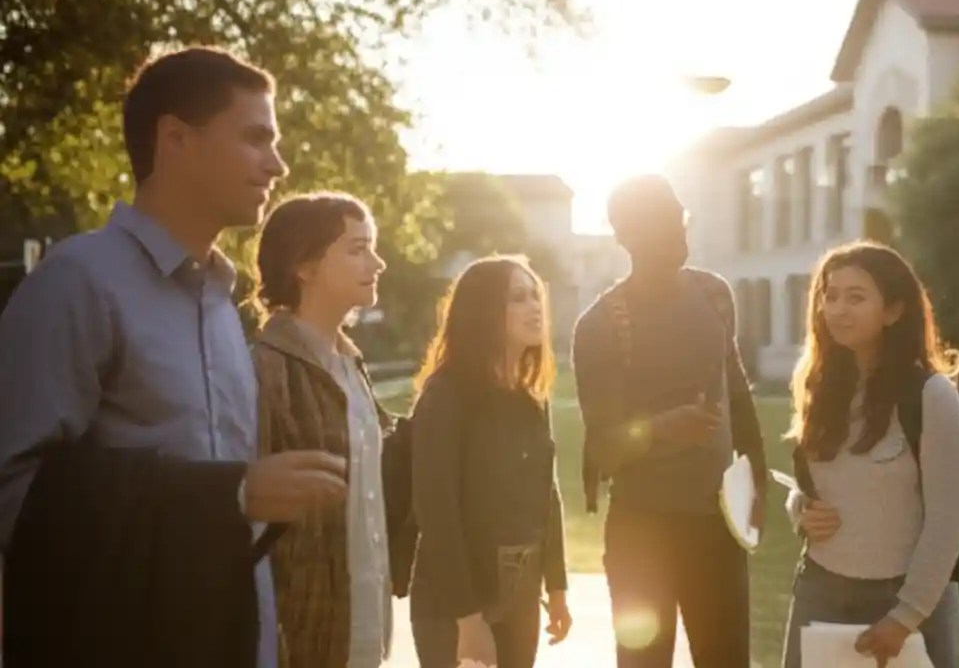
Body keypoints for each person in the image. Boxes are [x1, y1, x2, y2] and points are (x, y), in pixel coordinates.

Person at [0, 47, 346, 667]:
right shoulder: (75, 283)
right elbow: (16, 497)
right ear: (176, 140)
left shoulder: (223, 305)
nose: (279, 165)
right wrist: (227, 495)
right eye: (256, 138)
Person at [572, 174, 769, 668]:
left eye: (680, 217)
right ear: (627, 237)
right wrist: (664, 426)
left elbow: (738, 395)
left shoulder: (714, 294)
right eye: (664, 222)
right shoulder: (600, 325)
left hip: (717, 529)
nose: (680, 230)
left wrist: (758, 488)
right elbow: (603, 448)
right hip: (641, 535)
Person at [781, 242, 959, 668]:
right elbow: (814, 486)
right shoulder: (819, 387)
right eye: (831, 296)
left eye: (856, 297)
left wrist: (905, 617)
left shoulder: (932, 397)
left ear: (893, 310)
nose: (838, 310)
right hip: (819, 591)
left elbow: (949, 523)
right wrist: (800, 511)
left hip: (904, 604)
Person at [251, 192, 417, 668]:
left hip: (364, 629)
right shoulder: (264, 370)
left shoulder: (351, 365)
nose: (378, 263)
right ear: (305, 266)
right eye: (358, 249)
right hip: (299, 638)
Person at [409, 255, 572, 668]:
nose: (534, 307)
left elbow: (546, 495)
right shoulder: (445, 396)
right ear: (483, 310)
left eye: (535, 296)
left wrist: (556, 587)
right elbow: (437, 514)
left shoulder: (530, 398)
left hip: (521, 598)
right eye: (518, 298)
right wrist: (468, 620)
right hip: (455, 606)